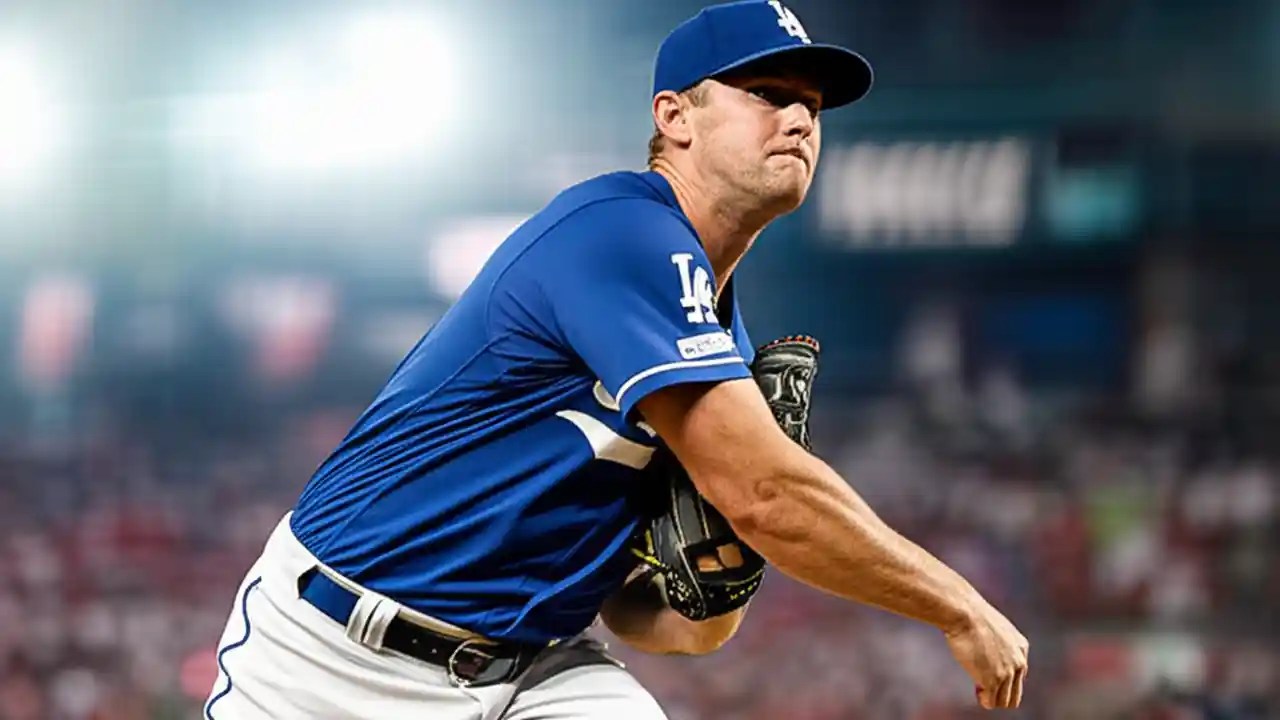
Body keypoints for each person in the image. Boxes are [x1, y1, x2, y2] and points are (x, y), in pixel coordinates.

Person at [203, 2, 1029, 718]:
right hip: (334, 657)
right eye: (769, 95)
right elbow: (767, 494)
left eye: (813, 106)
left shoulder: (720, 338)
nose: (802, 119)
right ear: (676, 117)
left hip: (532, 667)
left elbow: (664, 623)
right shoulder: (620, 233)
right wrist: (957, 606)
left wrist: (715, 584)